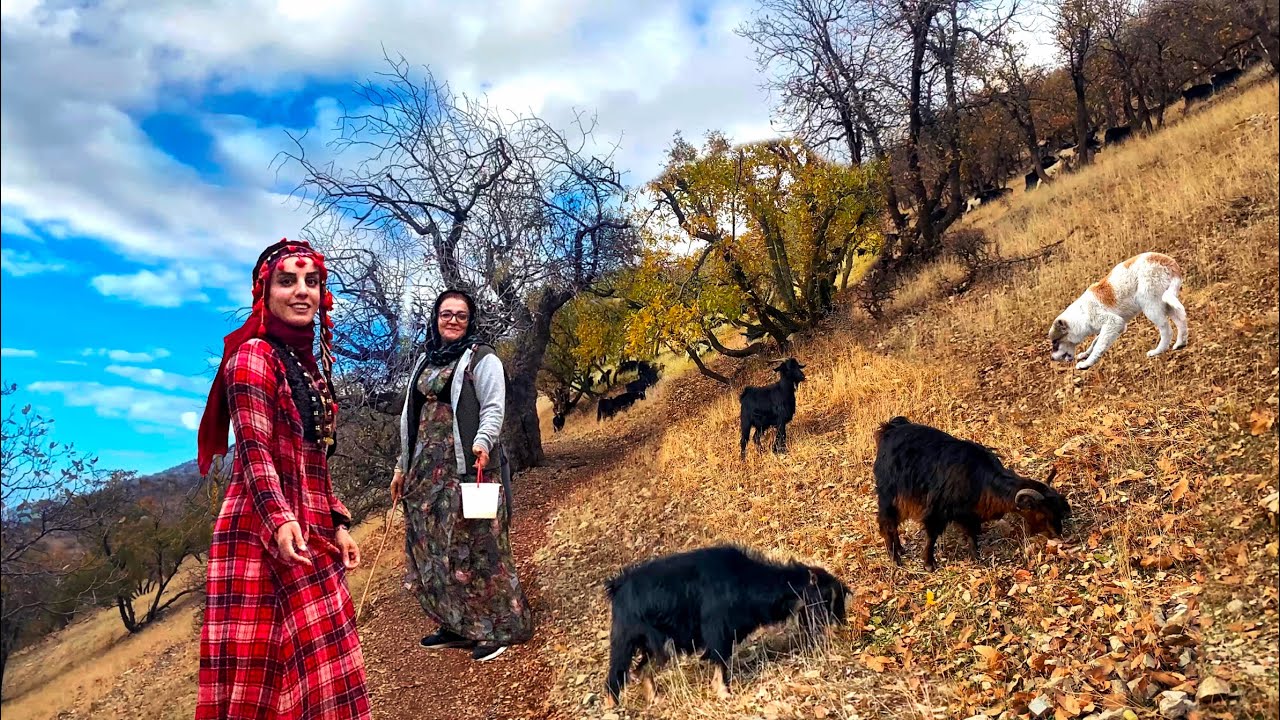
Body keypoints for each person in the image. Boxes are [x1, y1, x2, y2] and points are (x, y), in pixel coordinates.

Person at [195, 238, 370, 719]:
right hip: (261, 532)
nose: (301, 292)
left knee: (321, 664)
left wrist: (337, 521)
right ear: (264, 291)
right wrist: (279, 518)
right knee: (272, 678)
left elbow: (314, 460)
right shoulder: (253, 355)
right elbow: (254, 451)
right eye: (287, 281)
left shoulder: (309, 369)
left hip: (307, 525)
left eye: (311, 282)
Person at [390, 288, 533, 662]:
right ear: (435, 318)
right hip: (424, 474)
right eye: (446, 314)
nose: (452, 320)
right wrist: (401, 467)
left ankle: (499, 627)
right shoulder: (424, 361)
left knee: (480, 548)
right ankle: (456, 624)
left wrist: (484, 442)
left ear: (471, 320)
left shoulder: (482, 358)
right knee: (436, 550)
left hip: (468, 468)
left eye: (461, 315)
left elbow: (493, 407)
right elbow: (410, 418)